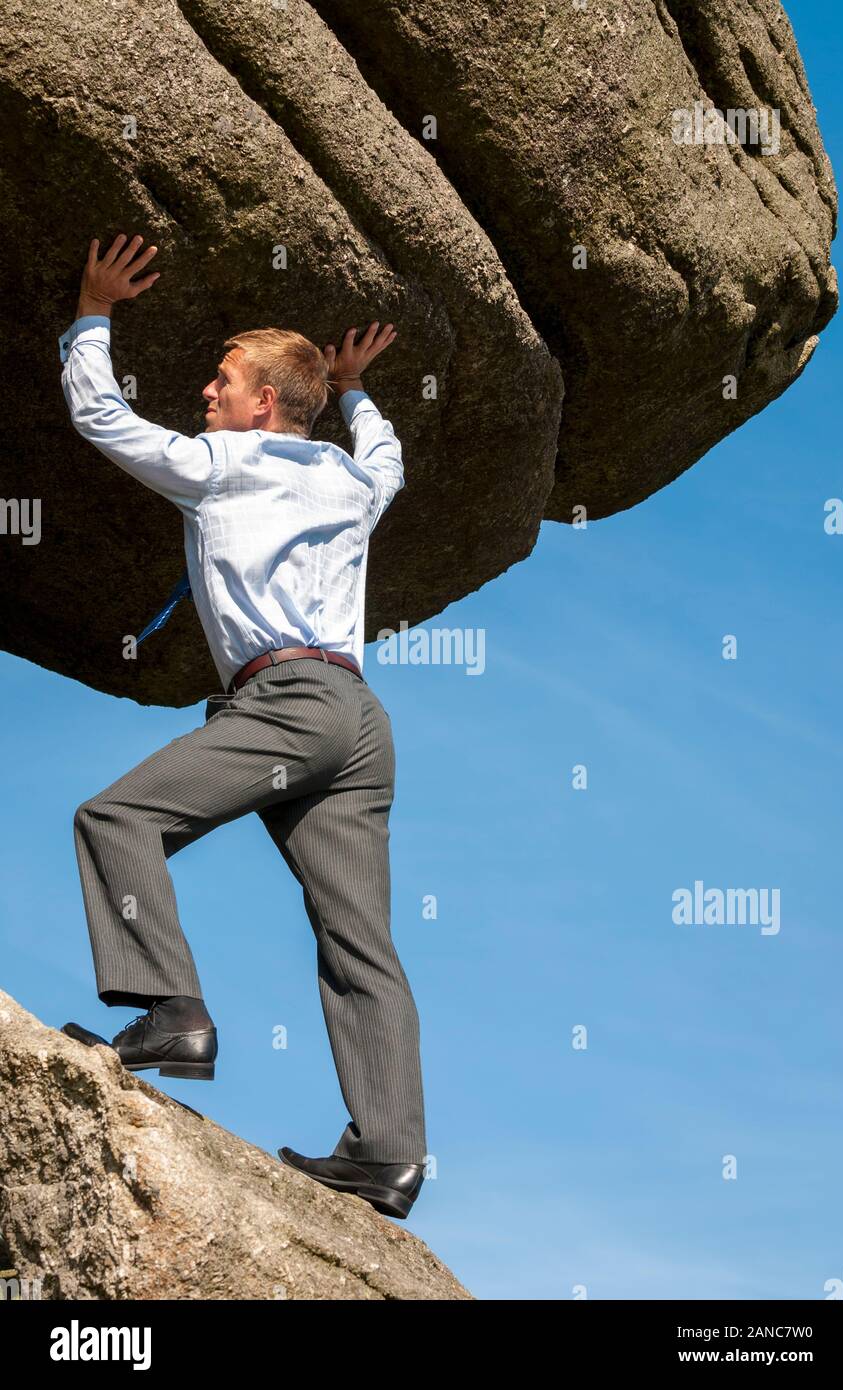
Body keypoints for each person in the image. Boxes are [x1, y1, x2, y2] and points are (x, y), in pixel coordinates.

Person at [58, 232, 427, 1219]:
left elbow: (101, 416)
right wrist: (352, 391)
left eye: (221, 381)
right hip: (357, 721)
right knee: (361, 943)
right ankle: (390, 1153)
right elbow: (387, 456)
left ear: (261, 404)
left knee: (114, 819)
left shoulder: (223, 461)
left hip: (287, 706)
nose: (205, 396)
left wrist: (93, 312)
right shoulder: (350, 482)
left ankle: (171, 1011)